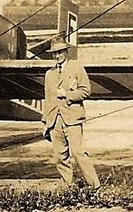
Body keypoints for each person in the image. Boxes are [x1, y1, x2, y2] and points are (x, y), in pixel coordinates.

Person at [42, 37, 100, 188]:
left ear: (66, 52)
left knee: (78, 152)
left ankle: (95, 186)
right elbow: (47, 98)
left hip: (73, 118)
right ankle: (68, 187)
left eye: (60, 52)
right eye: (54, 53)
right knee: (60, 157)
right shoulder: (49, 74)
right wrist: (46, 122)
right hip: (55, 120)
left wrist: (67, 94)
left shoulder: (76, 68)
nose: (57, 56)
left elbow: (86, 90)